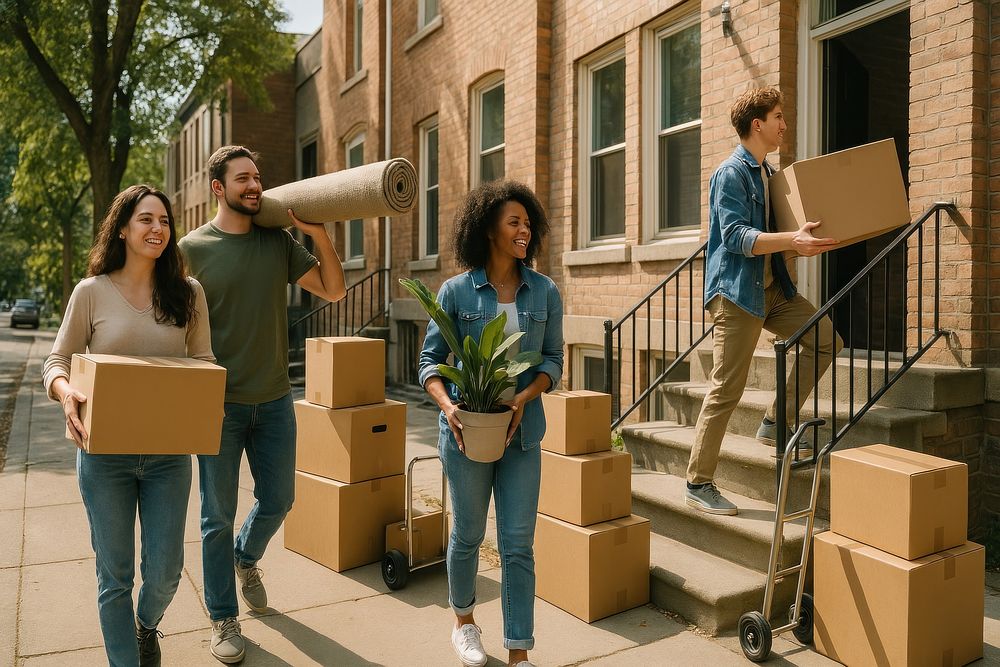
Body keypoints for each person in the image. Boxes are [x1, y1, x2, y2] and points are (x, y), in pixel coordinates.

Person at [178, 145, 346, 663]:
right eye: (243, 179)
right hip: (219, 406)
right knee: (216, 517)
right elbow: (168, 321)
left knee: (279, 499)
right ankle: (223, 618)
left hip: (274, 400)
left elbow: (334, 290)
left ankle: (246, 556)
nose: (255, 186)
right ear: (218, 188)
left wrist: (317, 234)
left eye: (257, 177)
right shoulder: (191, 249)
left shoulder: (277, 242)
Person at [42, 185, 214, 666]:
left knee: (166, 572)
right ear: (121, 228)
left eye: (165, 221)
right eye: (146, 219)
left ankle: (145, 624)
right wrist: (65, 393)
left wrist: (205, 402)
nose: (158, 228)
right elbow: (56, 362)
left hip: (168, 456)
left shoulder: (188, 293)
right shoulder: (91, 292)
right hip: (104, 457)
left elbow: (204, 362)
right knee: (114, 576)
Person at [418, 180, 563, 667]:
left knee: (518, 544)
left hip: (522, 435)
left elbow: (553, 360)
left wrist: (523, 396)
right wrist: (449, 407)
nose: (525, 230)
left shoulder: (544, 291)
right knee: (468, 534)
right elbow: (430, 362)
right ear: (488, 230)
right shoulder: (456, 291)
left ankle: (520, 652)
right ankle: (463, 623)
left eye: (528, 223)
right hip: (467, 434)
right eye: (514, 222)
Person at [685, 87, 843, 515]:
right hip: (737, 294)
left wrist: (801, 243)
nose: (784, 125)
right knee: (726, 389)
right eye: (778, 117)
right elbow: (736, 237)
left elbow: (775, 238)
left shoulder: (768, 174)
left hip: (773, 290)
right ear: (757, 124)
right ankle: (698, 482)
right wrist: (791, 240)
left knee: (826, 339)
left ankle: (776, 421)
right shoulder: (730, 174)